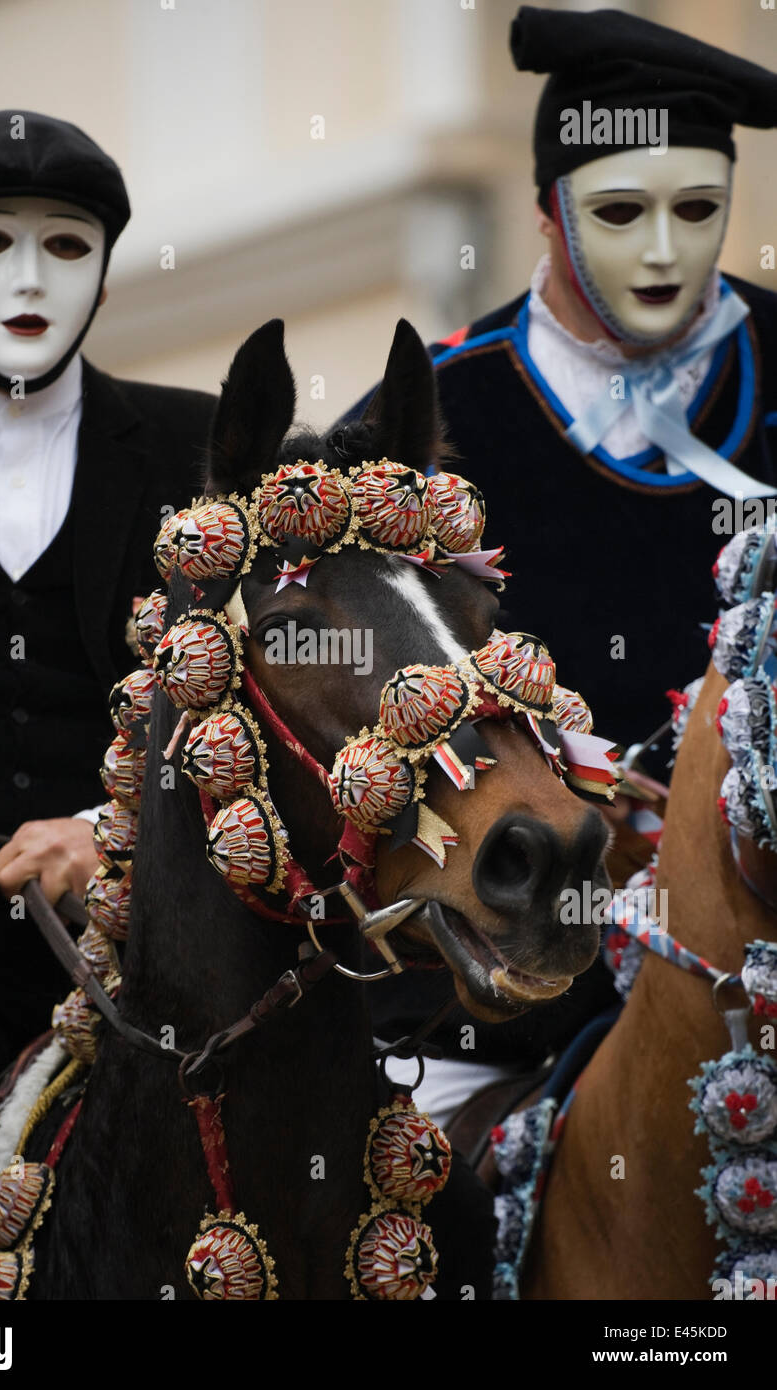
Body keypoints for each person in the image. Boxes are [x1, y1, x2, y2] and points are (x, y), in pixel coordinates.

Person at [345, 7, 777, 1125]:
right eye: (618, 212)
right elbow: (345, 680)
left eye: (698, 210)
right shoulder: (434, 411)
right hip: (500, 981)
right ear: (546, 209)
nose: (664, 251)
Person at [0, 110, 216, 1265]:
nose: (28, 278)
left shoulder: (207, 456)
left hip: (161, 990)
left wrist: (124, 837)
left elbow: (294, 718)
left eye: (66, 247)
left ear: (106, 278)